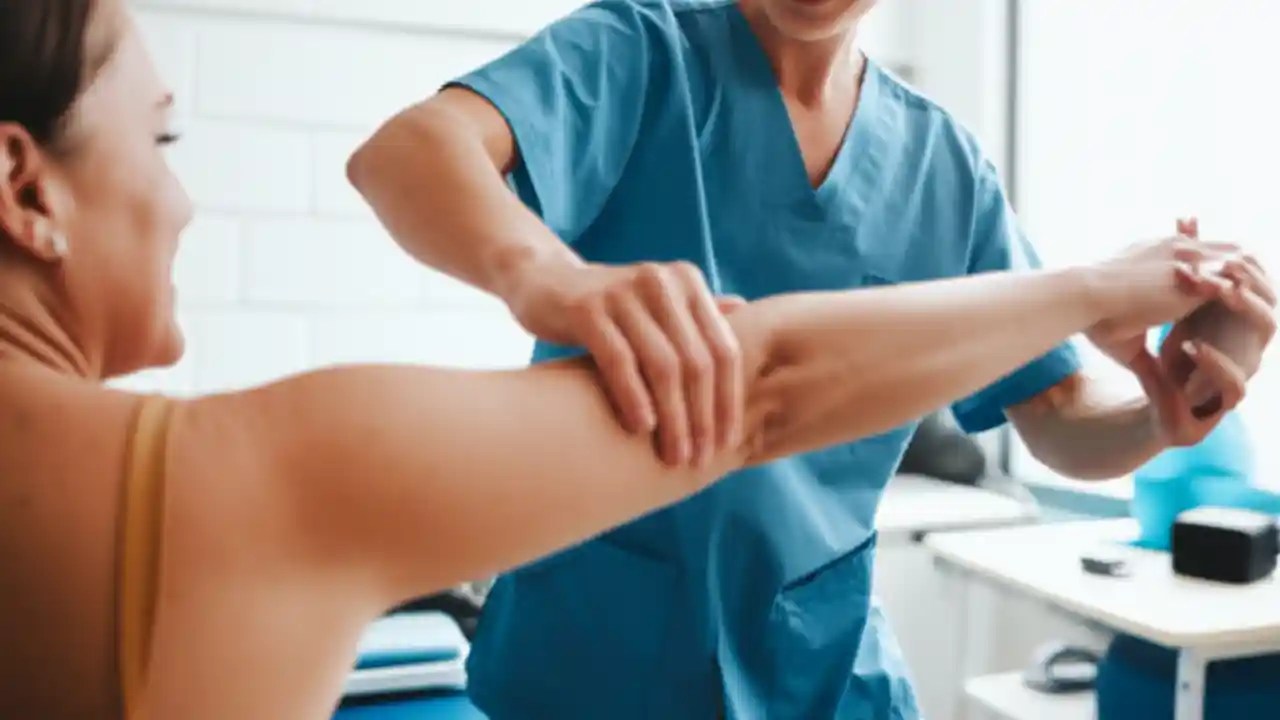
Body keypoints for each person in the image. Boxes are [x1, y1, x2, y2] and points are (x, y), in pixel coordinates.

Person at [0, 1, 1268, 719]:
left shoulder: (941, 164)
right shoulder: (643, 54)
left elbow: (1056, 413)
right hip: (585, 664)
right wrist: (555, 275)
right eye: (161, 139)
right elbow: (407, 153)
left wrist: (1154, 416)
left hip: (819, 672)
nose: (182, 196)